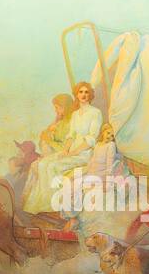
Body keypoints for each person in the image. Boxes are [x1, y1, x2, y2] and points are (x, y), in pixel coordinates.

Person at [21, 81, 104, 216]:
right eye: (80, 92)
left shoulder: (95, 113)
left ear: (90, 95)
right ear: (76, 95)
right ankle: (43, 201)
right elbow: (71, 135)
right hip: (71, 151)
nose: (83, 95)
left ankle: (53, 204)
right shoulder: (76, 114)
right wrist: (65, 151)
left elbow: (91, 139)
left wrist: (74, 152)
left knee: (53, 166)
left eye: (86, 92)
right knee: (43, 164)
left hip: (84, 154)